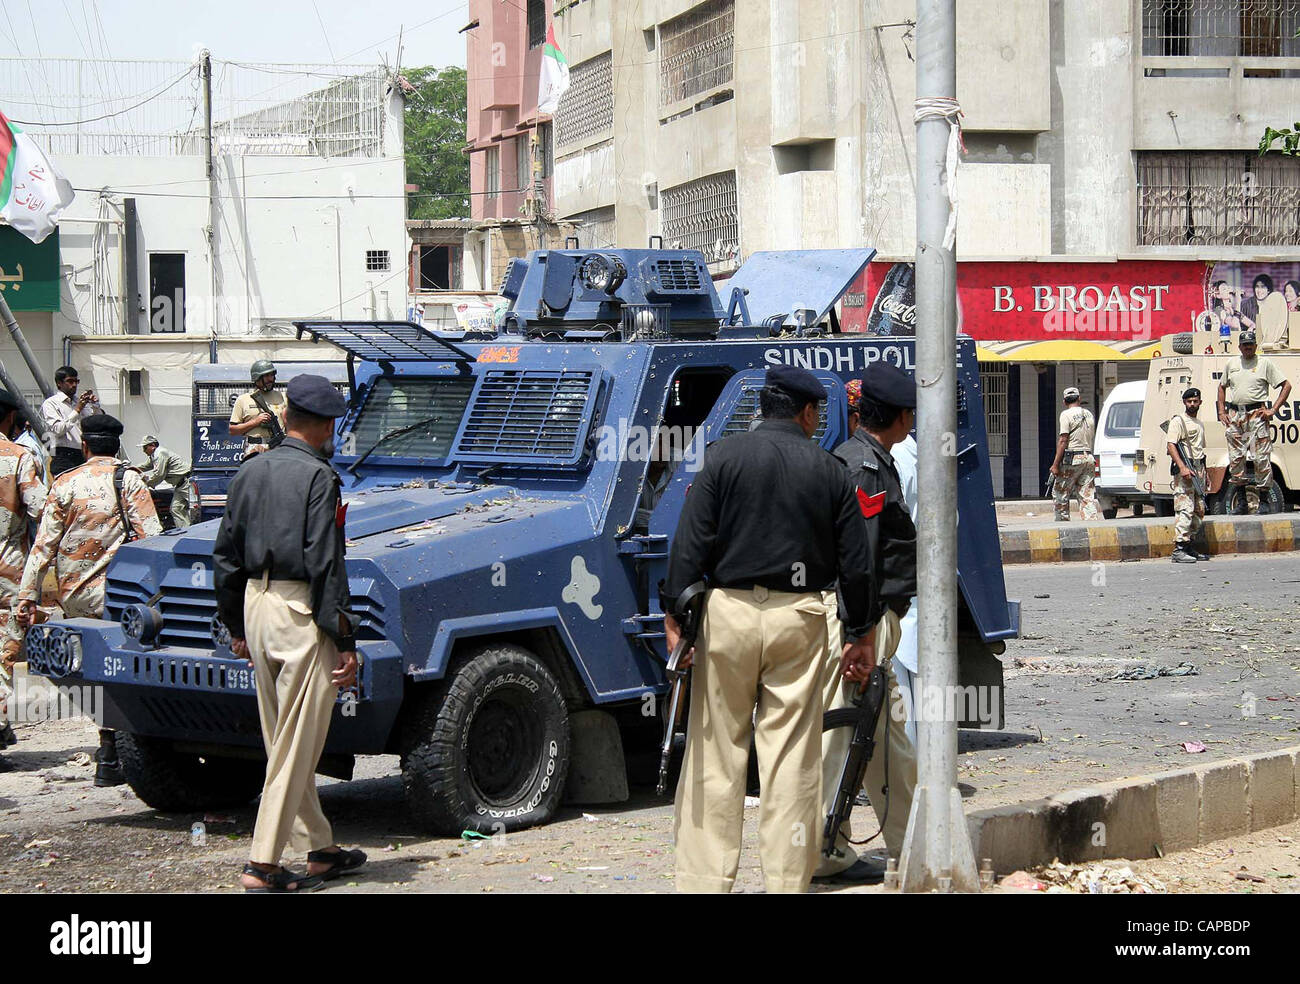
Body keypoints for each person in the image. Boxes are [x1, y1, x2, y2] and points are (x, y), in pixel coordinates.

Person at [662, 365, 874, 894]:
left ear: (763, 408)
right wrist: (860, 635)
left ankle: (705, 883)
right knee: (791, 761)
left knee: (715, 755)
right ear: (805, 413)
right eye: (817, 413)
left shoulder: (723, 458)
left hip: (728, 613)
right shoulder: (829, 471)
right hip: (799, 621)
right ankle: (785, 883)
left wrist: (674, 620)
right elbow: (857, 564)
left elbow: (687, 545)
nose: (818, 421)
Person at [213, 375, 366, 893]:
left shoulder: (249, 471)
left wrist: (235, 625)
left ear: (285, 417)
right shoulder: (319, 477)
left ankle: (320, 850)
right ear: (324, 426)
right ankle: (263, 865)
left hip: (256, 604)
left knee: (284, 737)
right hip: (300, 610)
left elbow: (225, 556)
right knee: (296, 746)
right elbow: (327, 563)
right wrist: (345, 640)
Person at [16, 414, 162, 786]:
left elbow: (42, 546)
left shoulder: (65, 483)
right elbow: (153, 538)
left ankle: (105, 750)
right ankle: (113, 750)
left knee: (90, 675)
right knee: (121, 672)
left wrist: (27, 596)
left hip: (74, 598)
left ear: (85, 445)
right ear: (116, 445)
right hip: (117, 597)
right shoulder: (129, 480)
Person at [816, 362, 918, 883]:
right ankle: (819, 851)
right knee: (844, 738)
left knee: (885, 737)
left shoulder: (871, 459)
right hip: (861, 624)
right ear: (900, 416)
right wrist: (864, 632)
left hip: (871, 622)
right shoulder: (864, 469)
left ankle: (911, 842)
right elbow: (860, 558)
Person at [0, 391, 47, 756]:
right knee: (3, 654)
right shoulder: (18, 458)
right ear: (10, 418)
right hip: (7, 569)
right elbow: (40, 510)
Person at [1216, 329, 1292, 514]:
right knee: (1236, 459)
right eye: (1245, 344)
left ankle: (1264, 501)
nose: (1248, 347)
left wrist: (1273, 409)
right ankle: (1241, 502)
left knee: (1261, 458)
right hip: (1235, 415)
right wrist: (1221, 411)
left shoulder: (1264, 363)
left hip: (1257, 414)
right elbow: (1221, 386)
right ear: (1240, 346)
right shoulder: (1232, 363)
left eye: (1251, 344)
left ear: (1255, 346)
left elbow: (1286, 385)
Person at [39, 365, 104, 477]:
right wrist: (77, 410)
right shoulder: (51, 403)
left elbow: (95, 423)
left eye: (76, 381)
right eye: (70, 381)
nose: (74, 385)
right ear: (59, 383)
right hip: (64, 455)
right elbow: (58, 430)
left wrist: (95, 406)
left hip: (83, 454)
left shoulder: (80, 402)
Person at [1168, 388, 1208, 564]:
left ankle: (1189, 544)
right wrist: (1182, 467)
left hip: (1198, 468)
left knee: (1199, 510)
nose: (1192, 404)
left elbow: (1200, 450)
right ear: (1184, 402)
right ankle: (1179, 549)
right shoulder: (1178, 421)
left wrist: (1206, 474)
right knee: (1185, 508)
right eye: (1189, 401)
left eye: (1195, 401)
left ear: (1200, 402)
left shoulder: (1199, 423)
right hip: (1186, 469)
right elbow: (1171, 445)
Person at [1049, 386, 1100, 522]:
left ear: (1065, 402)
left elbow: (1063, 440)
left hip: (1073, 459)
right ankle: (1092, 525)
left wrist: (1055, 465)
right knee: (1087, 495)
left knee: (1060, 492)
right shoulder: (1088, 414)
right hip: (1088, 458)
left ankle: (1062, 524)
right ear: (1079, 399)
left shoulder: (1065, 415)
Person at [228, 360, 286, 457]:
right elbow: (232, 430)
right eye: (266, 376)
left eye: (272, 375)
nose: (270, 379)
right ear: (257, 378)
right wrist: (256, 422)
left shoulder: (282, 397)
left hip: (278, 448)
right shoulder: (243, 399)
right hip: (254, 449)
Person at [138, 434, 193, 529]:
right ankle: (186, 531)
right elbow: (146, 466)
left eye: (145, 447)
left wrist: (147, 483)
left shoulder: (160, 454)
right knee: (176, 509)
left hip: (186, 483)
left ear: (152, 445)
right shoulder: (154, 456)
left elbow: (159, 474)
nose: (143, 451)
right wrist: (131, 469)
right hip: (180, 485)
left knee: (198, 509)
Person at [1241, 274, 1288, 349]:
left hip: (1268, 345)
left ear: (1268, 290)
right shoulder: (1245, 304)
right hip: (1249, 345)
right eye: (1257, 287)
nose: (1259, 290)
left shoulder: (1274, 306)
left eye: (1263, 287)